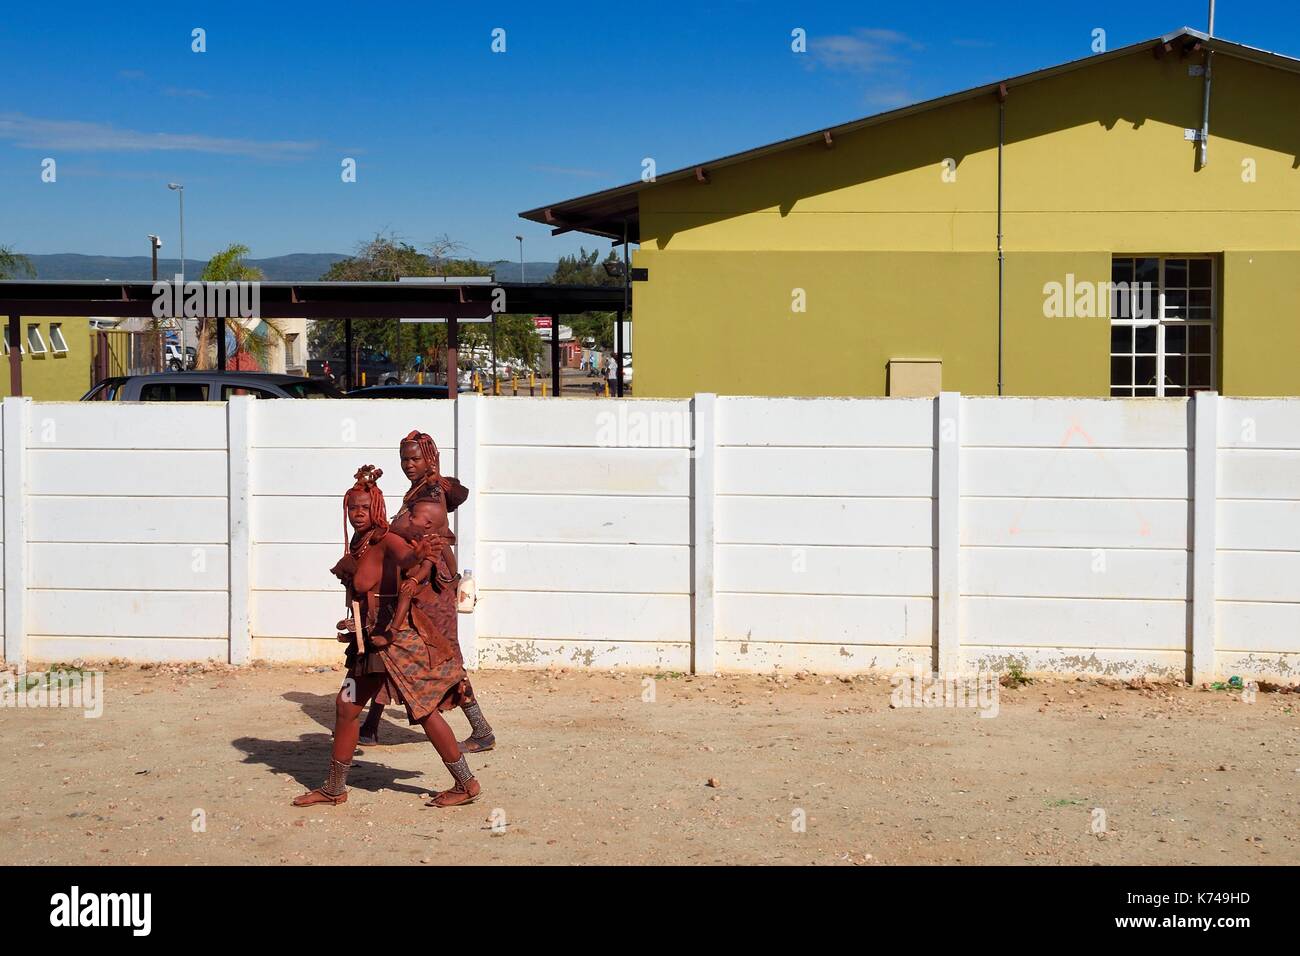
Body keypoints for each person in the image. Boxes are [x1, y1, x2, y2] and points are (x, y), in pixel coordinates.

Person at [292, 465, 483, 809]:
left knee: (424, 711)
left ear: (377, 508)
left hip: (395, 644)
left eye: (365, 508)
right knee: (346, 707)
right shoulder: (360, 542)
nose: (358, 514)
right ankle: (335, 788)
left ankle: (466, 783)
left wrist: (422, 554)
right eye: (353, 507)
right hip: (369, 644)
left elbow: (409, 558)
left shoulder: (387, 539)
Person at [375, 429, 497, 755]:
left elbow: (406, 528)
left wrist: (380, 526)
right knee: (391, 643)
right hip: (423, 581)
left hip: (432, 586)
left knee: (443, 656)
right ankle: (371, 725)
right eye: (404, 458)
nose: (408, 464)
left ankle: (481, 730)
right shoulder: (422, 488)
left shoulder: (428, 495)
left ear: (429, 458)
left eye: (415, 458)